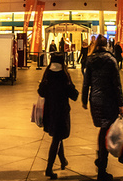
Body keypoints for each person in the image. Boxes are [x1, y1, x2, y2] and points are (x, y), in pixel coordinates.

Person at [82, 35, 123, 181]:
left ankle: (100, 160)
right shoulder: (111, 60)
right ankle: (101, 167)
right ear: (107, 45)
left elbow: (86, 83)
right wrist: (120, 104)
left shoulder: (90, 60)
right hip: (109, 100)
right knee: (106, 130)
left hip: (95, 100)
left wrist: (83, 100)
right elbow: (117, 84)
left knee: (103, 129)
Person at [38, 51, 78, 179]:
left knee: (57, 136)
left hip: (49, 111)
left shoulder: (48, 74)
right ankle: (49, 168)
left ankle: (63, 161)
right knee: (57, 138)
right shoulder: (63, 75)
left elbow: (41, 92)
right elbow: (74, 95)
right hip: (61, 111)